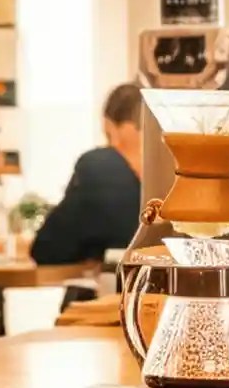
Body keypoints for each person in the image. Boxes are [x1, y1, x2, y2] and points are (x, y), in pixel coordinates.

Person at [30, 83, 144, 265]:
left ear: (109, 126)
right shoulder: (177, 170)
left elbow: (47, 249)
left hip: (113, 288)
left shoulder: (98, 167)